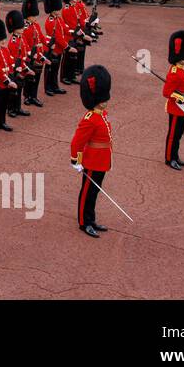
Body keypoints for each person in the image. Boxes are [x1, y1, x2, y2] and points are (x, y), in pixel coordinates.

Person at [70, 65, 113, 238]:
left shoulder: (102, 114)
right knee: (87, 192)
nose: (105, 101)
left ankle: (91, 219)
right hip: (92, 161)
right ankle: (83, 221)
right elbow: (77, 141)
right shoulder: (90, 119)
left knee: (94, 192)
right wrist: (76, 160)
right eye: (102, 99)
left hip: (102, 161)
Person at [162, 30, 184, 170]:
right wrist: (182, 98)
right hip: (176, 108)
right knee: (173, 135)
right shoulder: (175, 72)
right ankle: (170, 158)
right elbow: (167, 92)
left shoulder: (181, 69)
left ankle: (175, 156)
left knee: (179, 134)